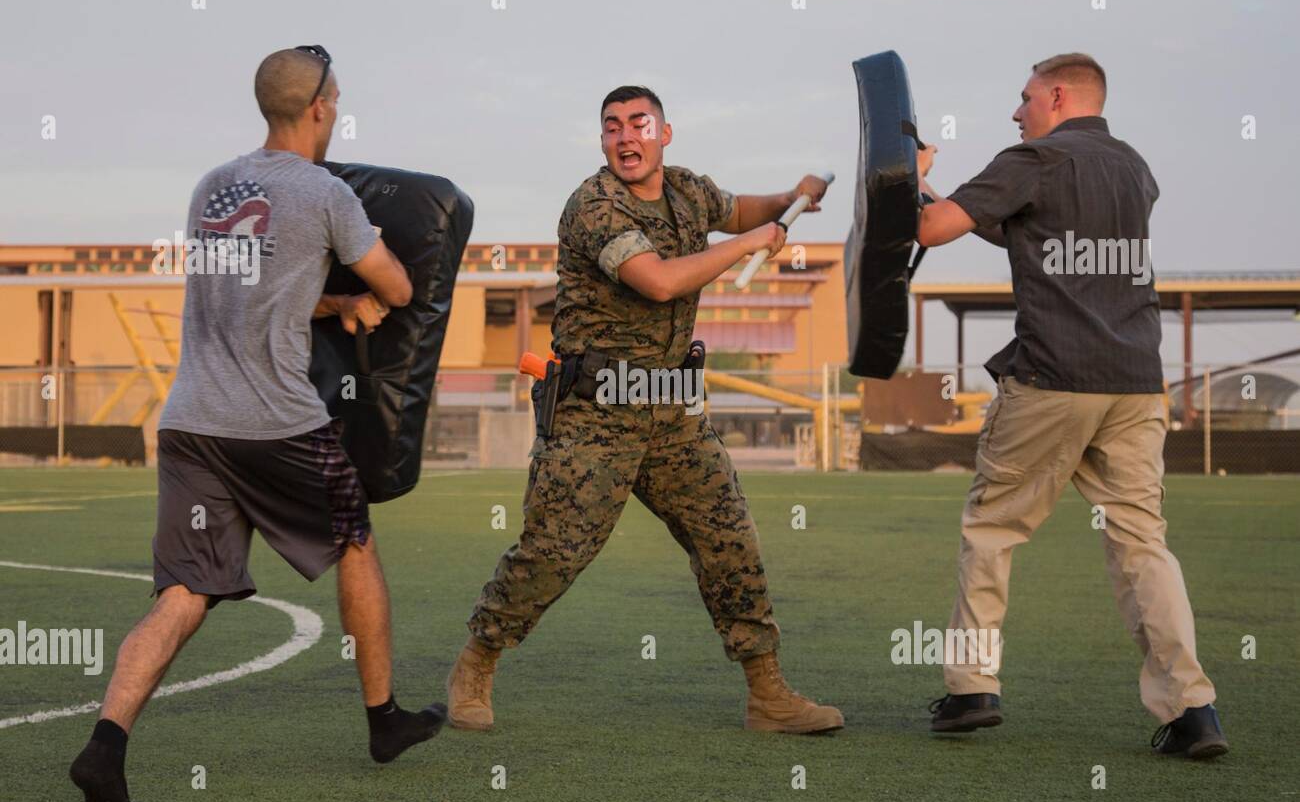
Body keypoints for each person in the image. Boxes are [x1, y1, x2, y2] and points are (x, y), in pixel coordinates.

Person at [70, 46, 446, 802]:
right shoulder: (323, 190)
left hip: (191, 423)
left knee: (182, 594)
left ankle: (105, 747)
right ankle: (383, 720)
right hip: (274, 421)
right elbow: (399, 286)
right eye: (335, 101)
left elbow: (256, 289)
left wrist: (329, 305)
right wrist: (363, 288)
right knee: (355, 542)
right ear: (318, 108)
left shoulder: (213, 187)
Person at [445, 86, 844, 734]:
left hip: (672, 410)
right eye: (612, 128)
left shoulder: (686, 190)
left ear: (665, 133)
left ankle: (768, 694)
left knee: (728, 542)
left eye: (639, 124)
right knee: (553, 551)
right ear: (602, 141)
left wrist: (787, 199)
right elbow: (657, 281)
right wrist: (747, 247)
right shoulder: (594, 206)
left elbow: (738, 208)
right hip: (595, 413)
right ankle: (477, 661)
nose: (626, 138)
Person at [915, 53, 1226, 758]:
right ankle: (1194, 711)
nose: (1015, 111)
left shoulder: (1036, 156)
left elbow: (934, 231)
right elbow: (1012, 225)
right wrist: (937, 187)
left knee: (993, 529)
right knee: (1143, 544)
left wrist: (909, 179)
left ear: (1058, 95)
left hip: (1054, 378)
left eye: (1024, 97)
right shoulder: (1134, 168)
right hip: (1136, 381)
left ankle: (971, 690)